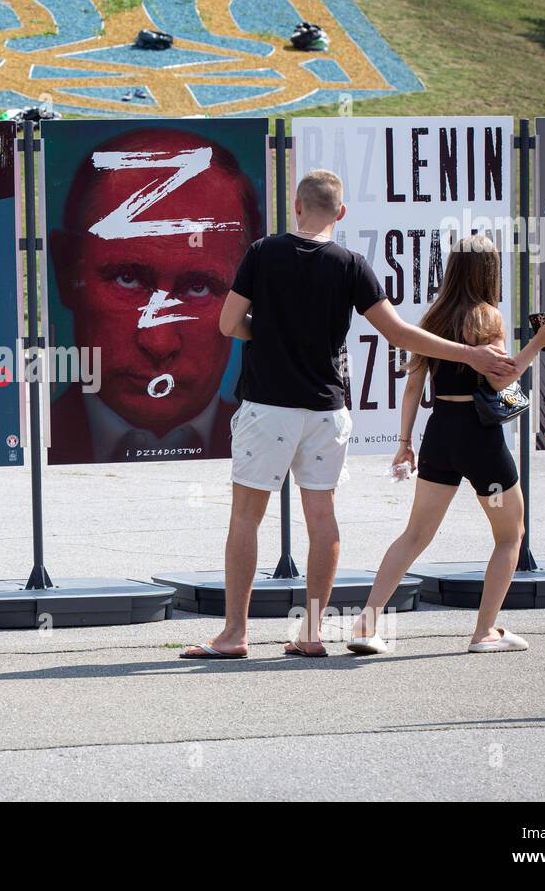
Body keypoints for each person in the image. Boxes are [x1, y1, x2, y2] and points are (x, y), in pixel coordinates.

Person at [180, 171, 517, 660]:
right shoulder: (351, 264)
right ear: (341, 213)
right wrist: (471, 355)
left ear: (296, 206)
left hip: (268, 407)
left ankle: (235, 634)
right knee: (322, 517)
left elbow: (229, 323)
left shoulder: (262, 252)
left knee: (246, 518)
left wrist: (271, 334)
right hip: (325, 411)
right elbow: (400, 335)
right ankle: (312, 632)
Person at [347, 235, 545, 656]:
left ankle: (365, 624)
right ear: (490, 270)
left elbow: (413, 384)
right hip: (480, 440)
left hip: (440, 433)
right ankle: (484, 632)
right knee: (509, 535)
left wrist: (405, 442)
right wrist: (539, 344)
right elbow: (503, 378)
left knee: (414, 534)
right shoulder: (488, 318)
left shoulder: (434, 317)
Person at [48, 128, 263, 464]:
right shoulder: (35, 443)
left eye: (198, 287)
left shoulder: (267, 445)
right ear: (65, 273)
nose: (159, 342)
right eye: (128, 279)